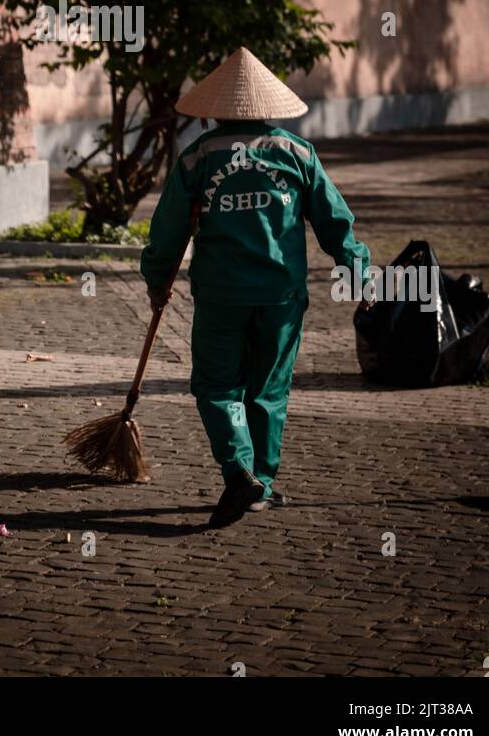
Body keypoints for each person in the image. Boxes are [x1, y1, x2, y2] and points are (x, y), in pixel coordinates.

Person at [140, 47, 370, 528]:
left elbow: (167, 231)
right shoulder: (297, 153)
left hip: (221, 295)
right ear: (268, 107)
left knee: (217, 386)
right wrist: (355, 267)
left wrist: (157, 279)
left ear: (216, 109)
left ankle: (239, 470)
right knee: (269, 389)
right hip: (281, 295)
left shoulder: (198, 156)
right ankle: (259, 484)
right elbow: (334, 221)